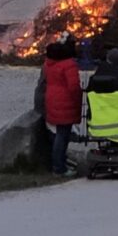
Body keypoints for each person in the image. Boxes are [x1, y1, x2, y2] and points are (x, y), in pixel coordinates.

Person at [43, 34, 82, 177]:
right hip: (66, 101)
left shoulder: (49, 64)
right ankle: (59, 167)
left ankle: (59, 162)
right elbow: (74, 87)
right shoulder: (69, 65)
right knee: (63, 135)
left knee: (58, 133)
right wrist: (79, 100)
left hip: (52, 99)